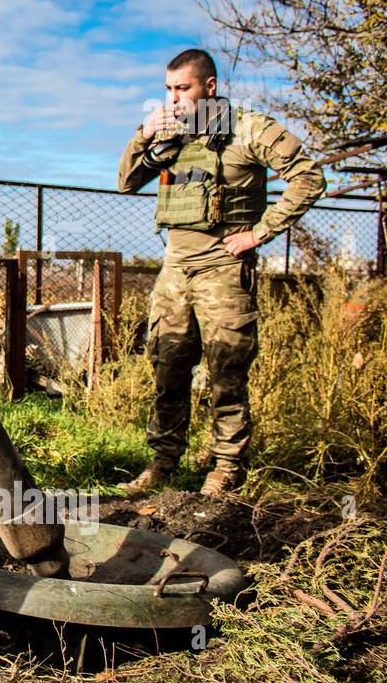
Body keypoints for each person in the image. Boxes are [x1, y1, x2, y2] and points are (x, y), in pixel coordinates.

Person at [117, 48, 325, 497]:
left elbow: (309, 177)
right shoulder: (169, 132)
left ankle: (227, 466)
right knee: (167, 366)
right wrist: (143, 134)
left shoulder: (249, 129)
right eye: (168, 89)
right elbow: (126, 181)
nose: (173, 99)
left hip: (224, 270)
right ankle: (162, 462)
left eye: (183, 88)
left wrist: (260, 232)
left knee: (226, 368)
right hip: (176, 268)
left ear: (209, 88)